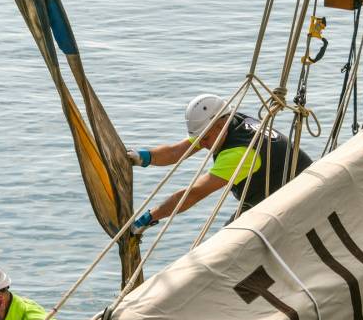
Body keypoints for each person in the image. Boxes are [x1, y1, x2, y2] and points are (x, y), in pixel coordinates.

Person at [127, 94, 313, 232]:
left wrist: (149, 217)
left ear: (220, 126)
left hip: (293, 201)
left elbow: (192, 194)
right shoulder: (230, 121)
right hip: (276, 191)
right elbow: (176, 152)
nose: (202, 144)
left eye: (205, 138)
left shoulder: (239, 153)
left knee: (227, 251)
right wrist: (142, 157)